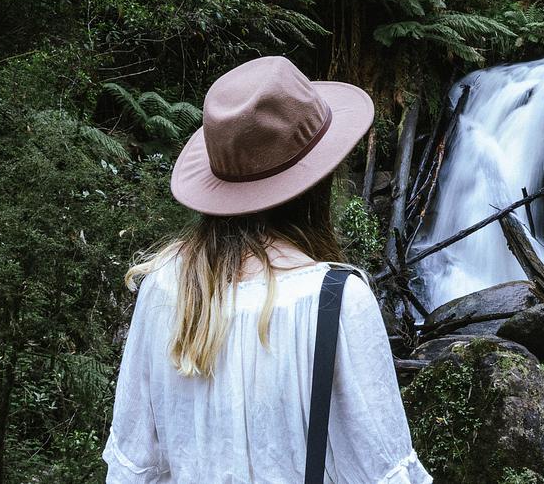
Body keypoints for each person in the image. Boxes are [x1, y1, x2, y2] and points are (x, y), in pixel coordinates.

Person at [103, 56, 431, 484]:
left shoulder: (164, 287)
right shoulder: (334, 299)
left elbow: (133, 465)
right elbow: (383, 472)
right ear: (318, 180)